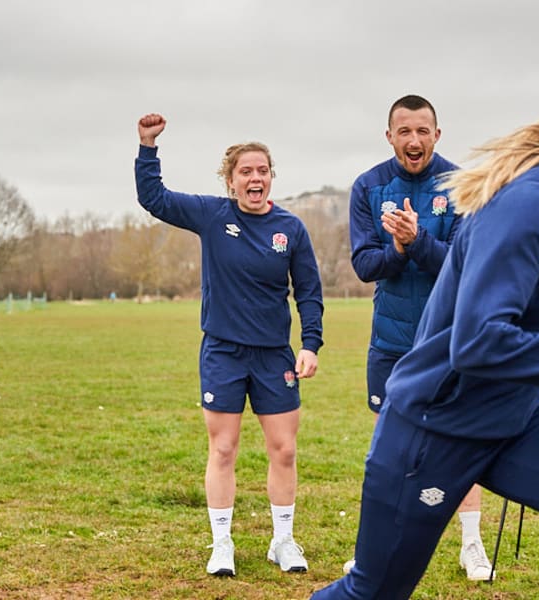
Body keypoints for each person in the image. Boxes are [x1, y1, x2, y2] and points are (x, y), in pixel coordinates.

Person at [311, 98, 539, 600]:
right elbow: (477, 343)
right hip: (435, 425)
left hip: (520, 417)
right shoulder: (527, 210)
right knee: (373, 593)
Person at [134, 113, 324, 577]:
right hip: (223, 351)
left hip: (274, 355)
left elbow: (309, 291)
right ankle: (222, 544)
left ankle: (283, 540)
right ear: (231, 180)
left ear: (270, 177)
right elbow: (153, 198)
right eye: (246, 171)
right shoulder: (213, 215)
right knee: (223, 449)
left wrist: (311, 344)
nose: (254, 177)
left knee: (284, 450)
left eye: (262, 170)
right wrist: (147, 148)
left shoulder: (291, 229)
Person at [344, 94, 492, 581]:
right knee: (389, 453)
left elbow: (468, 262)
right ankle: (379, 551)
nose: (414, 140)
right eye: (404, 131)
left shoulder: (461, 184)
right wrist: (399, 248)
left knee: (461, 441)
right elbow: (365, 265)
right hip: (391, 342)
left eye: (422, 131)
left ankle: (471, 544)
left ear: (437, 134)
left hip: (450, 341)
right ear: (389, 136)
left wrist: (418, 241)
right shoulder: (368, 186)